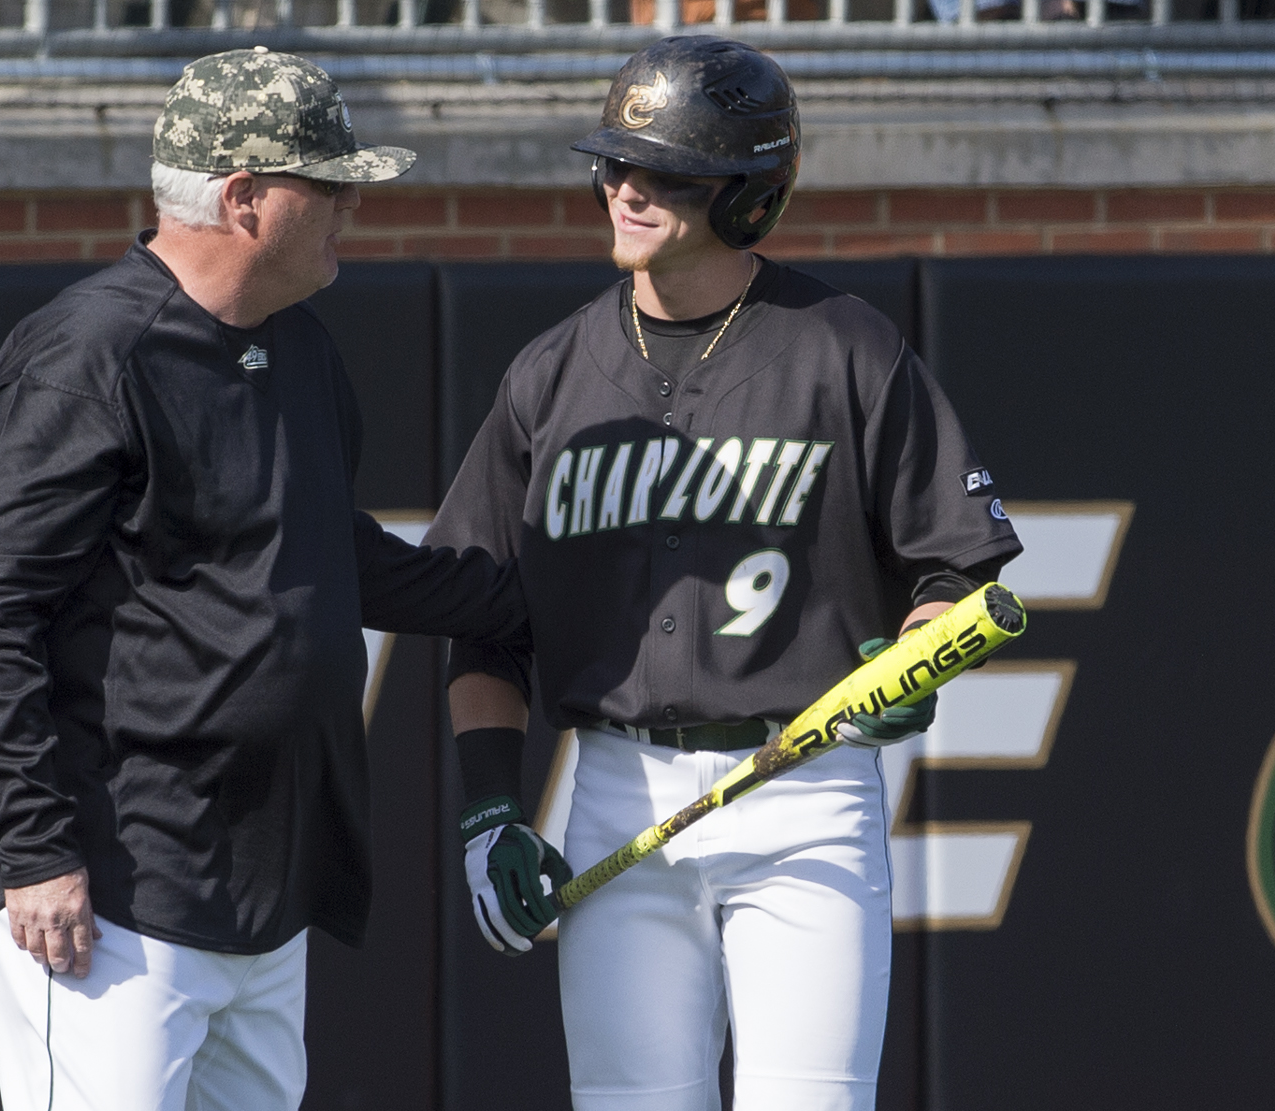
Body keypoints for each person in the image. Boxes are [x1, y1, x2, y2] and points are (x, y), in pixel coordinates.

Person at [429, 36, 1024, 1111]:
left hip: (804, 787)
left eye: (664, 171)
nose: (625, 187)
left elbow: (958, 570)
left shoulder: (843, 347)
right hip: (615, 791)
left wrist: (916, 660)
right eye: (613, 162)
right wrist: (487, 815)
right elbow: (482, 619)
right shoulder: (550, 373)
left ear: (746, 194)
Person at [0, 48, 529, 1111]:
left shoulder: (297, 349)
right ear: (245, 198)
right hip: (112, 896)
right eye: (326, 181)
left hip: (264, 889)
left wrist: (536, 599)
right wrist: (33, 850)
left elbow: (321, 558)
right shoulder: (89, 353)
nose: (350, 201)